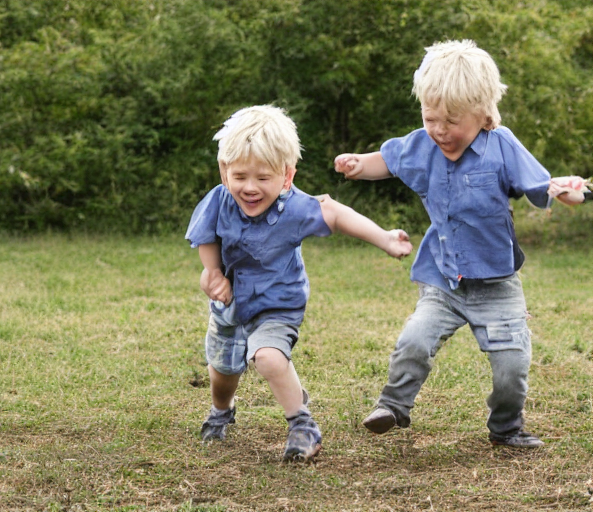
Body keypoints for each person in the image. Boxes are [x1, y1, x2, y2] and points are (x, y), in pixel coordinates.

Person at [334, 40, 555, 448]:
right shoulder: (423, 145)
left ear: (484, 114)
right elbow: (389, 159)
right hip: (442, 278)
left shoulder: (501, 143)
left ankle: (506, 427)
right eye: (431, 117)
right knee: (415, 340)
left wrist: (566, 190)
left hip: (497, 284)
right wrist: (358, 164)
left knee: (512, 366)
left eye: (451, 121)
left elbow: (540, 185)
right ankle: (393, 405)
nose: (439, 129)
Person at [186, 105, 413, 462]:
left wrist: (384, 238)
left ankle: (302, 424)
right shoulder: (219, 200)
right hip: (230, 304)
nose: (249, 187)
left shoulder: (294, 208)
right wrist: (212, 272)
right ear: (224, 170)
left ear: (287, 176)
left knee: (268, 358)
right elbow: (206, 238)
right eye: (240, 176)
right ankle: (222, 410)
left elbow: (335, 213)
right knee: (222, 372)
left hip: (277, 303)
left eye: (263, 178)